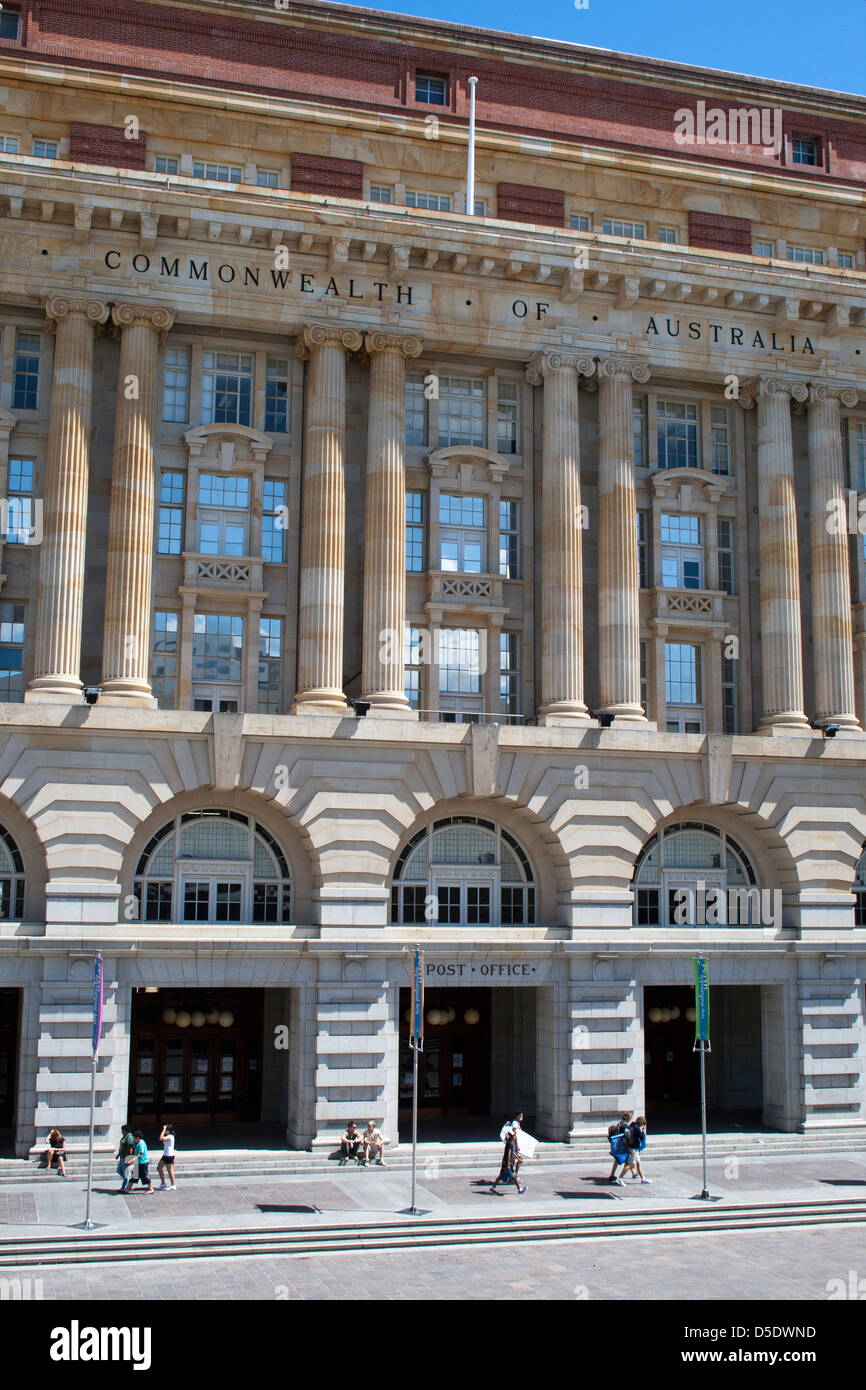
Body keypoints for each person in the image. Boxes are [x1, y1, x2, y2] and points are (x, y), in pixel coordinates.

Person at [490, 1111, 526, 1194]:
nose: (514, 1137)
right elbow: (510, 1153)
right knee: (512, 1175)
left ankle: (493, 1187)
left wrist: (517, 1159)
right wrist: (509, 1164)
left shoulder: (508, 1143)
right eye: (513, 1136)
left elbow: (511, 1153)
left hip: (505, 1162)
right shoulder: (510, 1144)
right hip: (507, 1163)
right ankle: (520, 1189)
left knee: (500, 1176)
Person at [607, 1110, 634, 1185]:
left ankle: (612, 1175)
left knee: (618, 1160)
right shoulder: (625, 1125)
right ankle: (621, 1177)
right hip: (624, 1145)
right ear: (628, 1118)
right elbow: (627, 1136)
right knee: (629, 1161)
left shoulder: (619, 1123)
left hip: (618, 1145)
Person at [626, 1115, 651, 1183]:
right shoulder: (636, 1128)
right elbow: (642, 1137)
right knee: (630, 1165)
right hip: (633, 1149)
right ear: (641, 1123)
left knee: (638, 1163)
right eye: (643, 1124)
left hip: (634, 1148)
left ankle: (643, 1178)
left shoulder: (631, 1126)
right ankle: (620, 1177)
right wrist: (642, 1132)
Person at [157, 1123, 177, 1191]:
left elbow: (161, 1138)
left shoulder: (170, 1136)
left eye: (166, 1130)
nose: (165, 1131)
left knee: (170, 1170)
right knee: (159, 1167)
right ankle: (163, 1183)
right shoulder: (168, 1136)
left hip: (169, 1155)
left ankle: (173, 1185)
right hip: (165, 1155)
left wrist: (164, 1129)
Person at [116, 1124, 135, 1191]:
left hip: (126, 1157)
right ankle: (128, 1181)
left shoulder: (129, 1137)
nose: (122, 1131)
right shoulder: (125, 1136)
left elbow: (130, 1147)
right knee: (119, 1170)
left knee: (126, 1172)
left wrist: (127, 1157)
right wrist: (118, 1154)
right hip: (122, 1156)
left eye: (123, 1130)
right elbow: (122, 1147)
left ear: (126, 1130)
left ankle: (125, 1187)